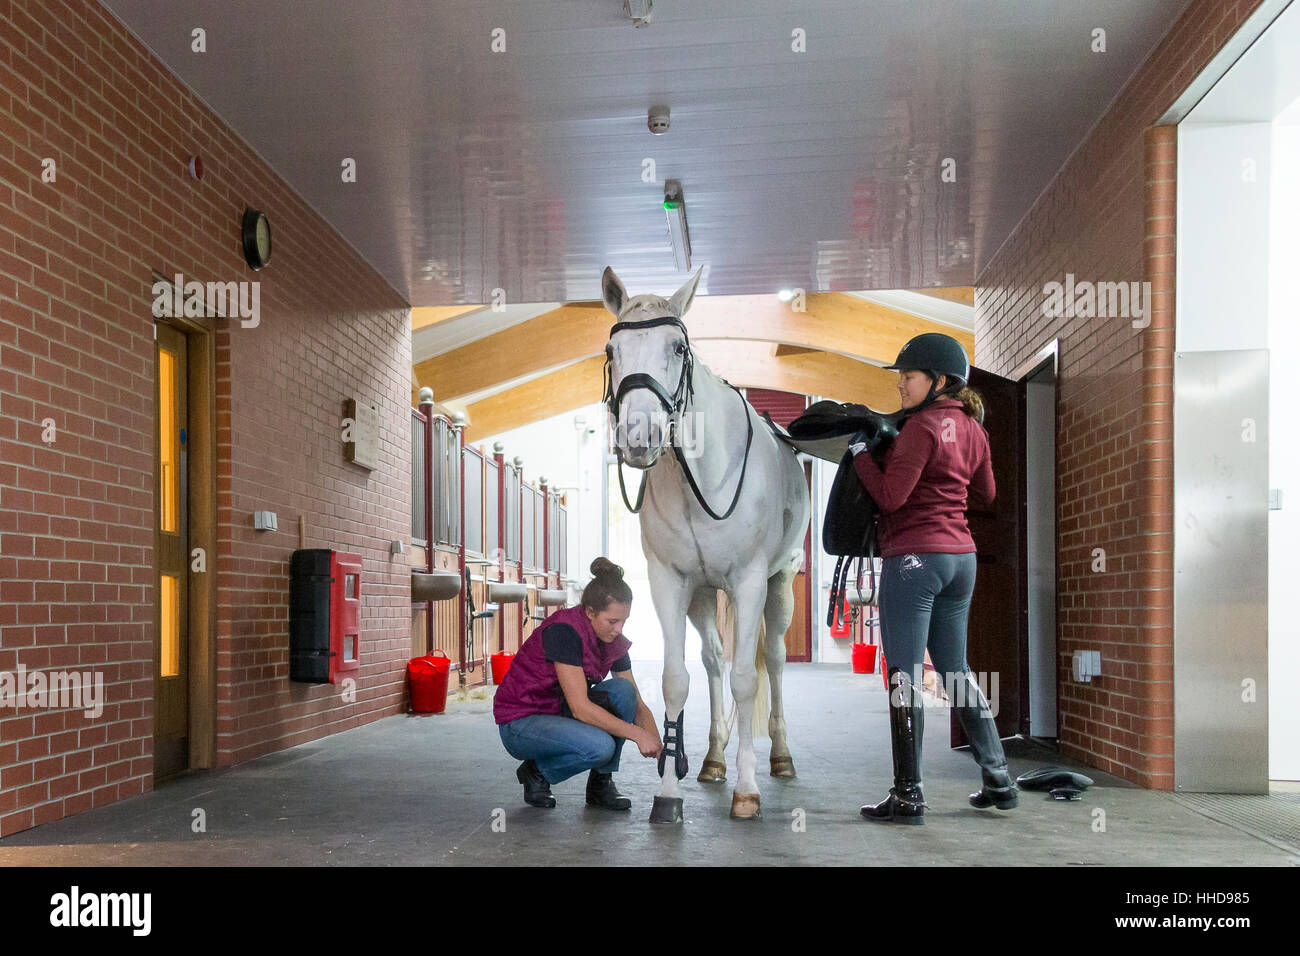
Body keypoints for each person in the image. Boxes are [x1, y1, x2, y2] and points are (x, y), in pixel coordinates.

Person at [848, 332, 1018, 825]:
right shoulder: (974, 431)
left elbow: (890, 497)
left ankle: (907, 794)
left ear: (939, 381)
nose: (901, 385)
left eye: (909, 376)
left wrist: (861, 453)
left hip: (914, 561)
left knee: (902, 675)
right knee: (956, 670)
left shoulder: (921, 428)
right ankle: (999, 779)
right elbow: (986, 493)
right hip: (961, 559)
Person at [494, 557, 663, 810]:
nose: (619, 629)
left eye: (624, 620)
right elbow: (580, 708)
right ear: (590, 612)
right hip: (522, 721)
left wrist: (661, 749)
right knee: (600, 747)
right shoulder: (564, 631)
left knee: (624, 691)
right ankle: (536, 771)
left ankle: (600, 785)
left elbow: (636, 704)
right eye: (613, 621)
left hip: (557, 713)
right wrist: (638, 735)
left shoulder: (612, 639)